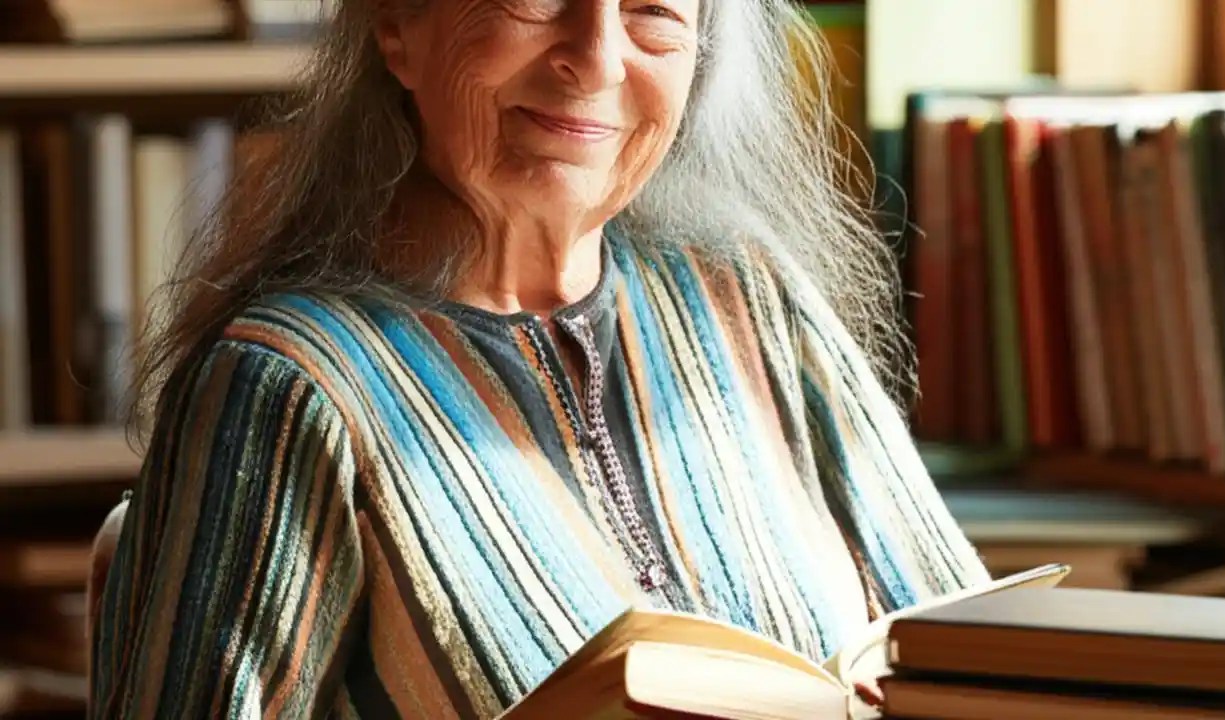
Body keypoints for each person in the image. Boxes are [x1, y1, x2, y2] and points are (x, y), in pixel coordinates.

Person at [91, 0, 989, 716]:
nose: (596, 58)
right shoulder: (289, 388)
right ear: (396, 28)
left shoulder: (754, 303)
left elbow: (988, 656)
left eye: (654, 12)